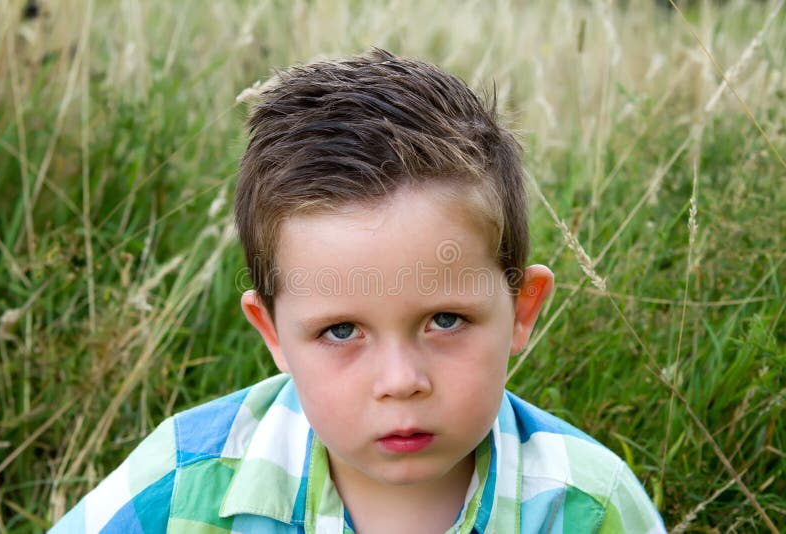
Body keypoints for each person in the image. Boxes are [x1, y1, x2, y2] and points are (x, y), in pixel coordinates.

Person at [50, 49, 665, 533]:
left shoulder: (587, 507)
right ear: (274, 335)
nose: (400, 380)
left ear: (521, 309)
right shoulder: (185, 484)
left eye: (446, 320)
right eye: (341, 331)